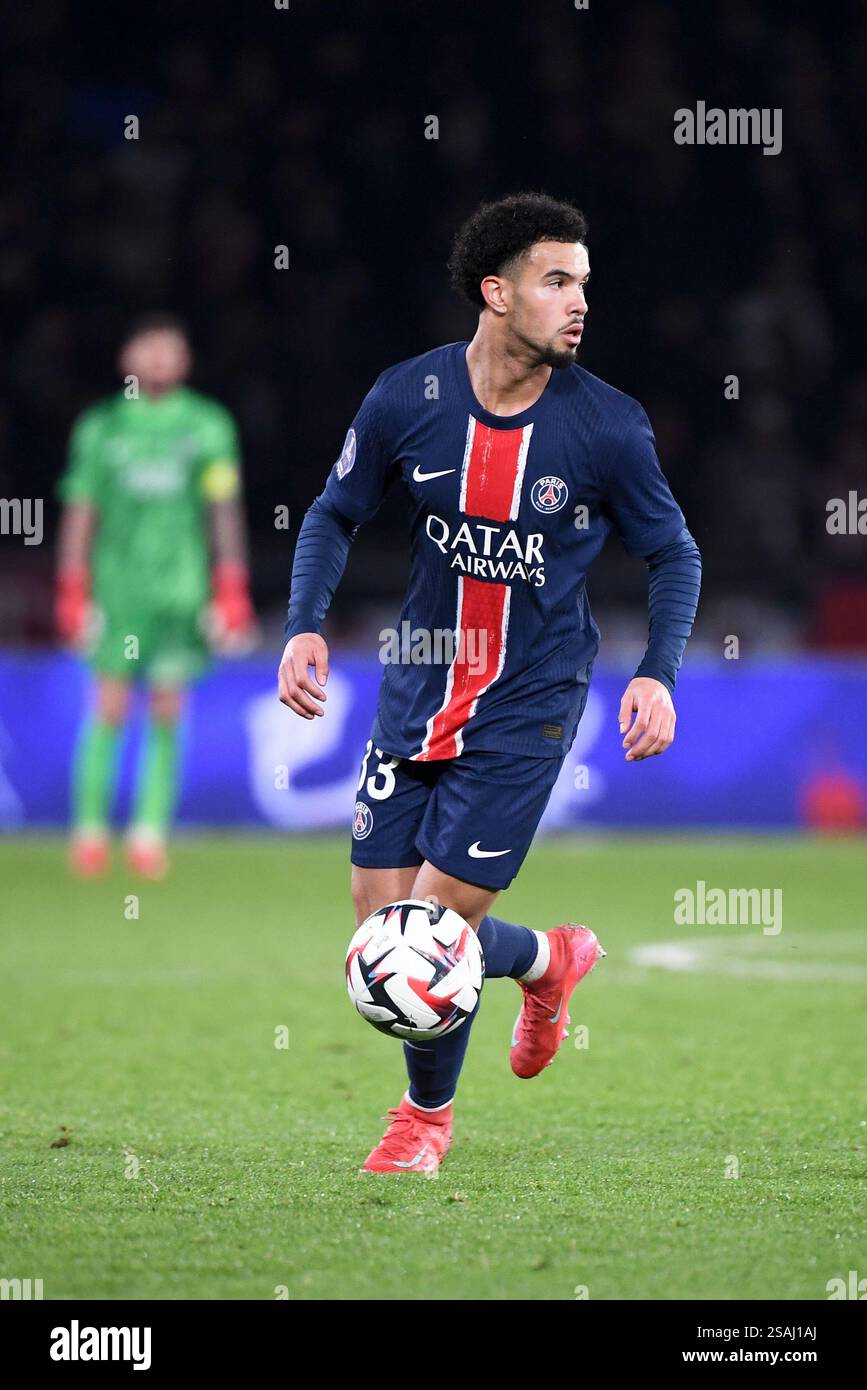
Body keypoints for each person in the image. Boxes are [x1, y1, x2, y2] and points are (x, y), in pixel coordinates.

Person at [279, 193, 701, 1174]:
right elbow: (333, 512)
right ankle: (549, 961)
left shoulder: (606, 427)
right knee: (380, 931)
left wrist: (660, 674)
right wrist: (304, 625)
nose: (579, 301)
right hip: (416, 688)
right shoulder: (408, 399)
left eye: (584, 283)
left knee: (426, 934)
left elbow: (672, 552)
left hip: (529, 706)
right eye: (559, 281)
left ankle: (424, 1122)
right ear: (497, 292)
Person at [56, 314, 255, 879]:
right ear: (128, 359)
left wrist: (230, 584)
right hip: (118, 590)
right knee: (110, 704)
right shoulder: (102, 427)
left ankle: (148, 834)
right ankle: (90, 831)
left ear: (185, 360)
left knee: (168, 708)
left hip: (181, 593)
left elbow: (223, 509)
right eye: (151, 348)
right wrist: (72, 586)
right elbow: (80, 509)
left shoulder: (207, 424)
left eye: (173, 349)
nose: (162, 358)